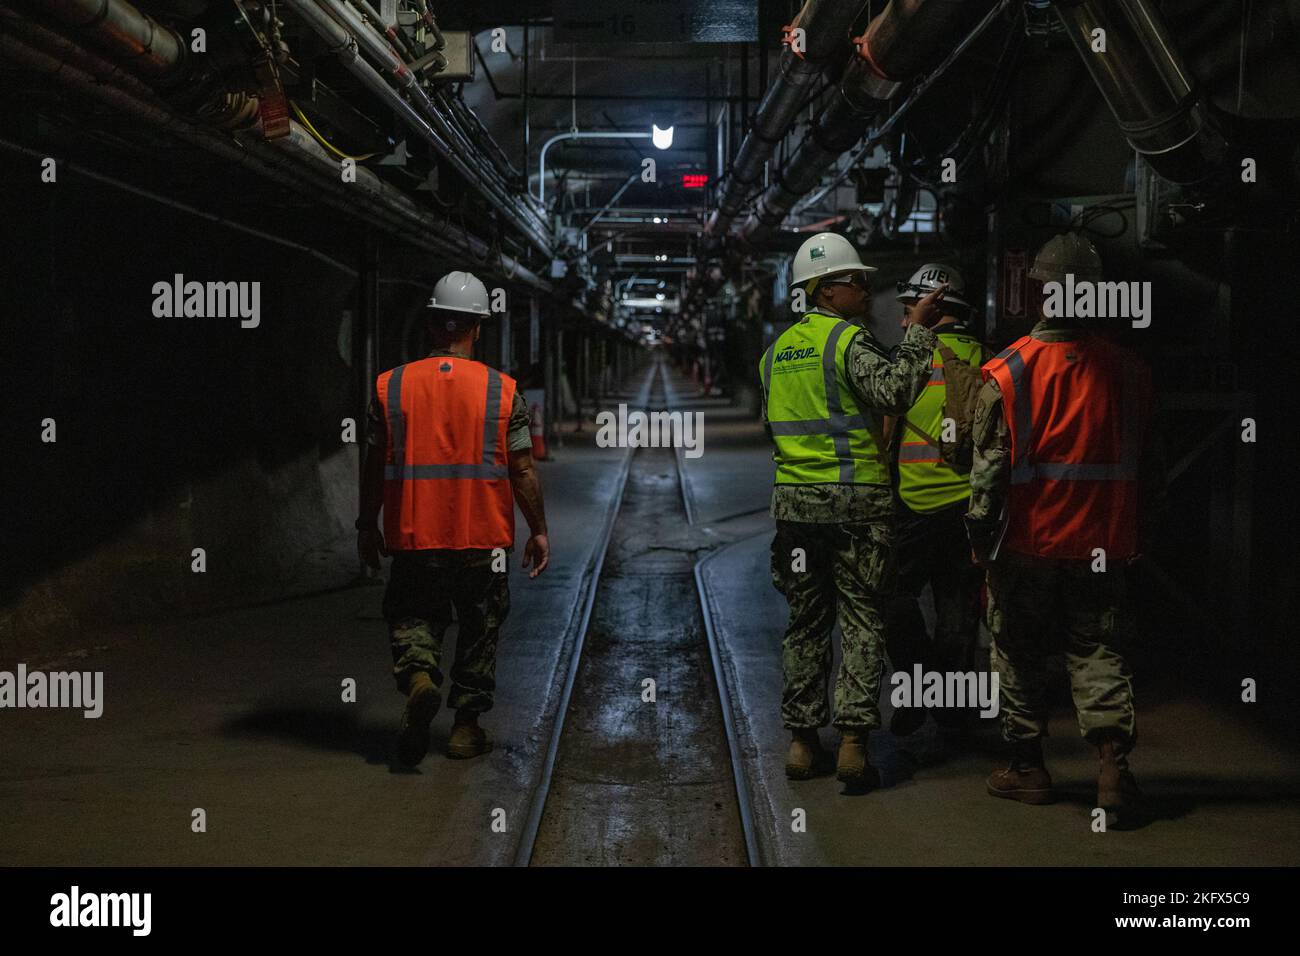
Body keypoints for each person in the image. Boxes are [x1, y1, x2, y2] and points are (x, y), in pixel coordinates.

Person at [967, 234, 1159, 826]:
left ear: (1039, 293)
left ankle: (1027, 769)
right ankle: (1112, 771)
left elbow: (988, 477)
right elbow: (1146, 461)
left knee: (1019, 652)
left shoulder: (1008, 371)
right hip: (1103, 543)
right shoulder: (1130, 371)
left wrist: (981, 545)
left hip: (1028, 543)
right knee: (1098, 649)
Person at [759, 232, 948, 789]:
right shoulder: (848, 342)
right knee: (863, 622)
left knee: (805, 624)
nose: (865, 289)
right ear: (824, 290)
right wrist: (917, 332)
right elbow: (896, 392)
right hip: (855, 505)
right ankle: (852, 747)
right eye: (855, 281)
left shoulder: (774, 354)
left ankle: (801, 744)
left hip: (795, 510)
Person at [356, 271, 550, 768]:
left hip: (414, 536)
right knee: (480, 627)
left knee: (413, 617)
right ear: (477, 328)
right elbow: (522, 469)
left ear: (429, 324)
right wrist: (538, 530)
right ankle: (465, 727)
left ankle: (420, 678)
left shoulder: (391, 387)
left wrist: (366, 523)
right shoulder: (502, 391)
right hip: (483, 541)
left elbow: (374, 465)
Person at [886, 264, 991, 737]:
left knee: (890, 597)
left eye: (911, 308)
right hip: (970, 510)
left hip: (914, 506)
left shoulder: (909, 360)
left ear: (934, 308)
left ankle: (917, 684)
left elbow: (885, 435)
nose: (904, 318)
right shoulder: (991, 360)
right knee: (958, 610)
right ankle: (952, 714)